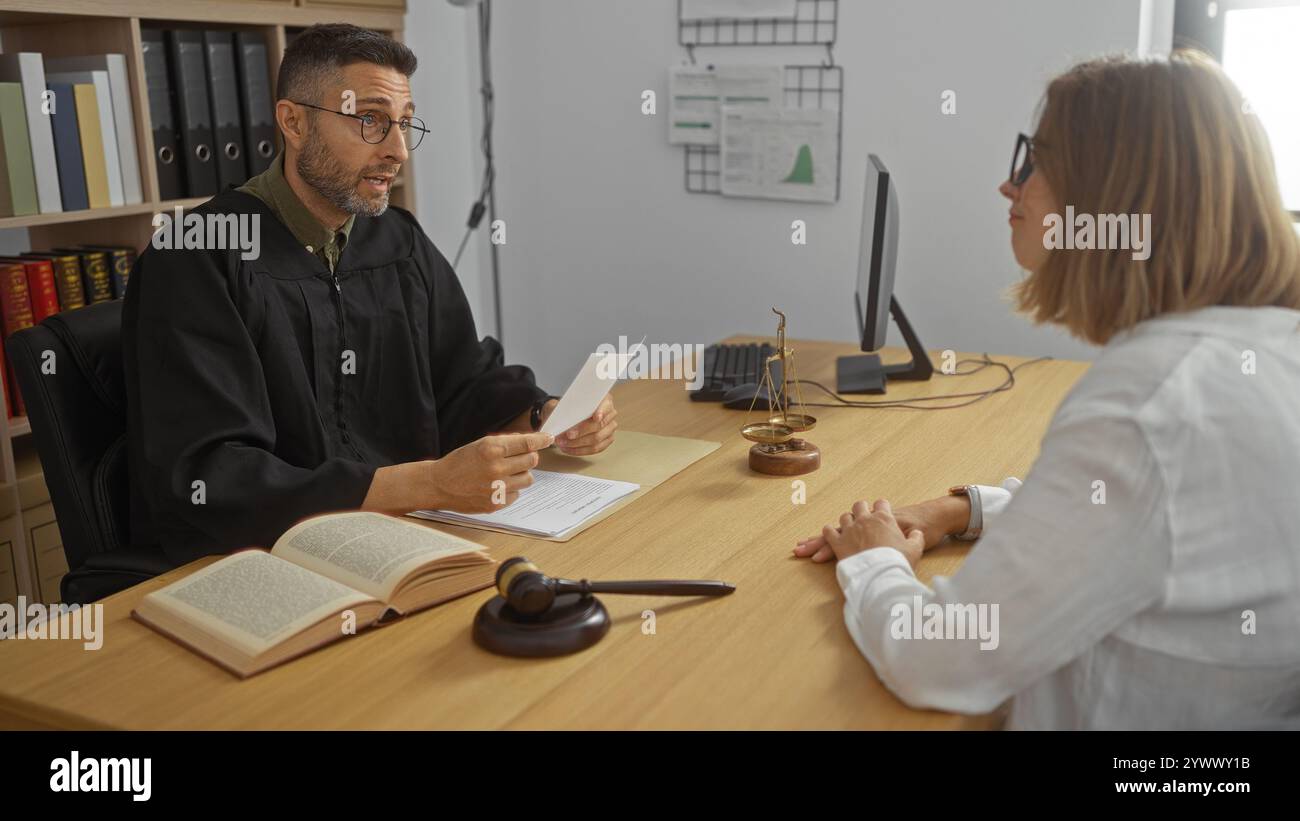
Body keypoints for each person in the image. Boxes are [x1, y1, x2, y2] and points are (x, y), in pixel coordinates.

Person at [794, 51, 1300, 729]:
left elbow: (937, 660)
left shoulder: (1149, 406)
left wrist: (874, 560)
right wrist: (964, 509)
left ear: (1109, 194)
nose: (1012, 188)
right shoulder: (1263, 352)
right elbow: (1150, 515)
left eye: (1035, 161)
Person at [124, 24, 617, 567]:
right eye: (371, 121)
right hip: (264, 556)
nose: (398, 151)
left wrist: (544, 416)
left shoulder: (397, 240)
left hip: (407, 536)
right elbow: (213, 474)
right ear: (293, 122)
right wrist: (428, 484)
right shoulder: (196, 257)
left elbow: (461, 384)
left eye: (405, 124)